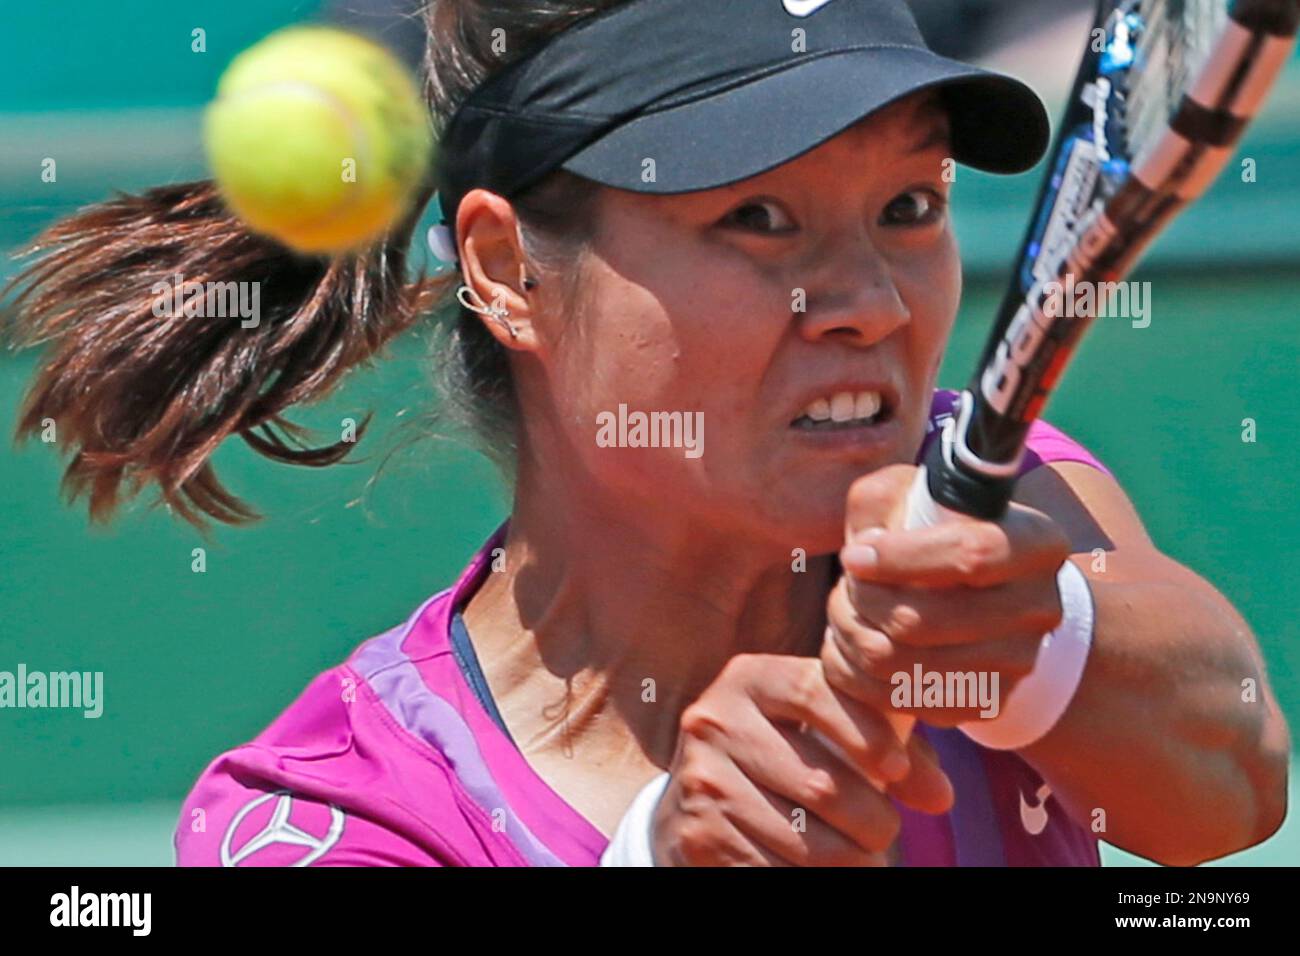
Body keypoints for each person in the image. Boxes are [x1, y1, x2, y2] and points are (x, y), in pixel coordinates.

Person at [6, 0, 1287, 867]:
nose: (869, 301)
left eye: (908, 202)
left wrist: (1039, 637)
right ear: (507, 270)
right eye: (756, 222)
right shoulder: (328, 814)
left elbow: (1236, 776)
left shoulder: (986, 508)